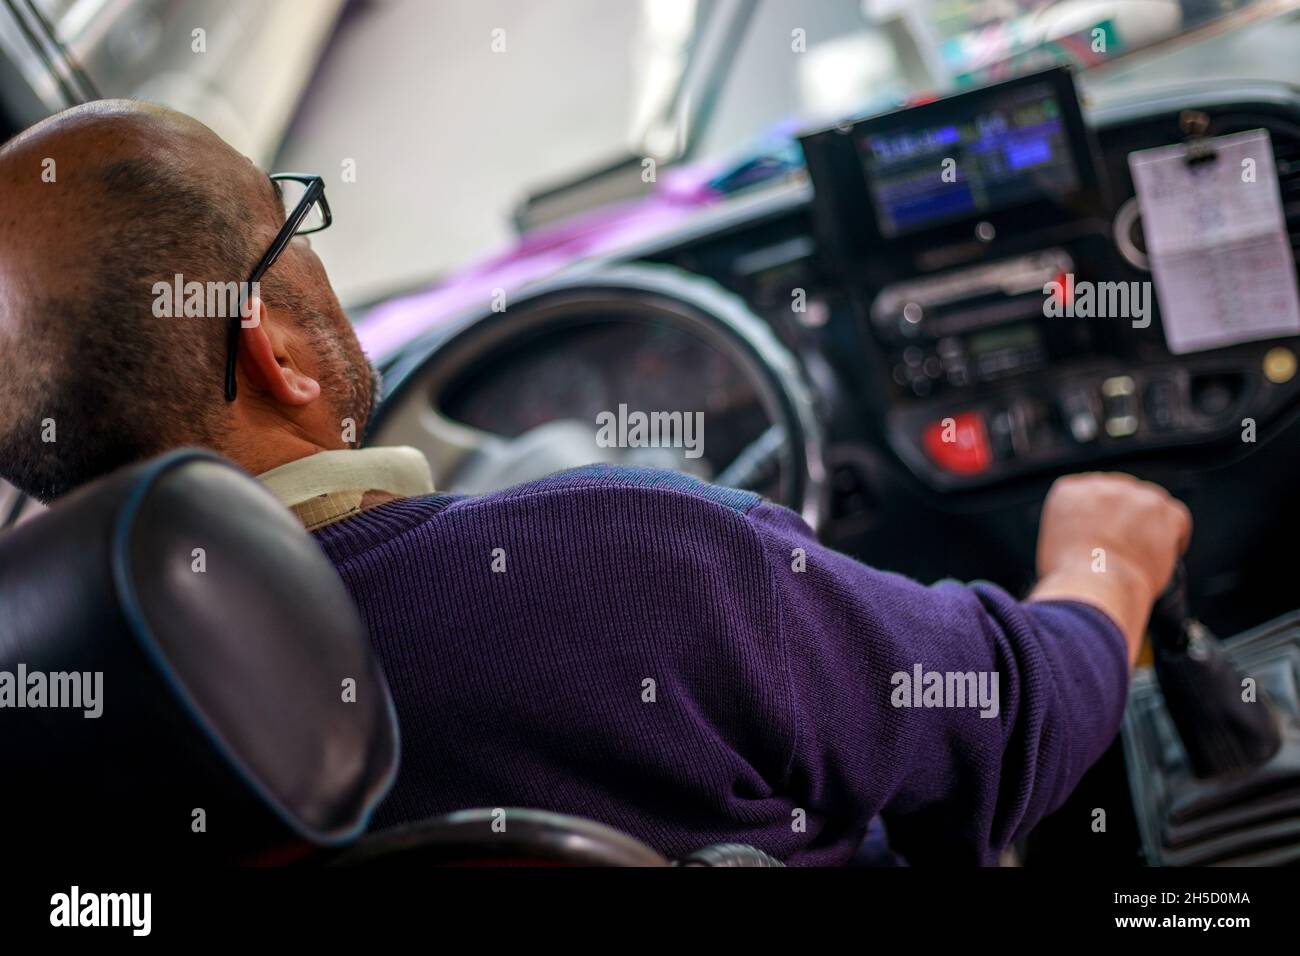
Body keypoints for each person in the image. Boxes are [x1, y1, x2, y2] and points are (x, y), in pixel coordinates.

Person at [0, 101, 1191, 865]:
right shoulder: (632, 561)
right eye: (290, 225)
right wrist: (1105, 565)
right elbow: (1012, 727)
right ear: (274, 350)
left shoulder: (55, 779)